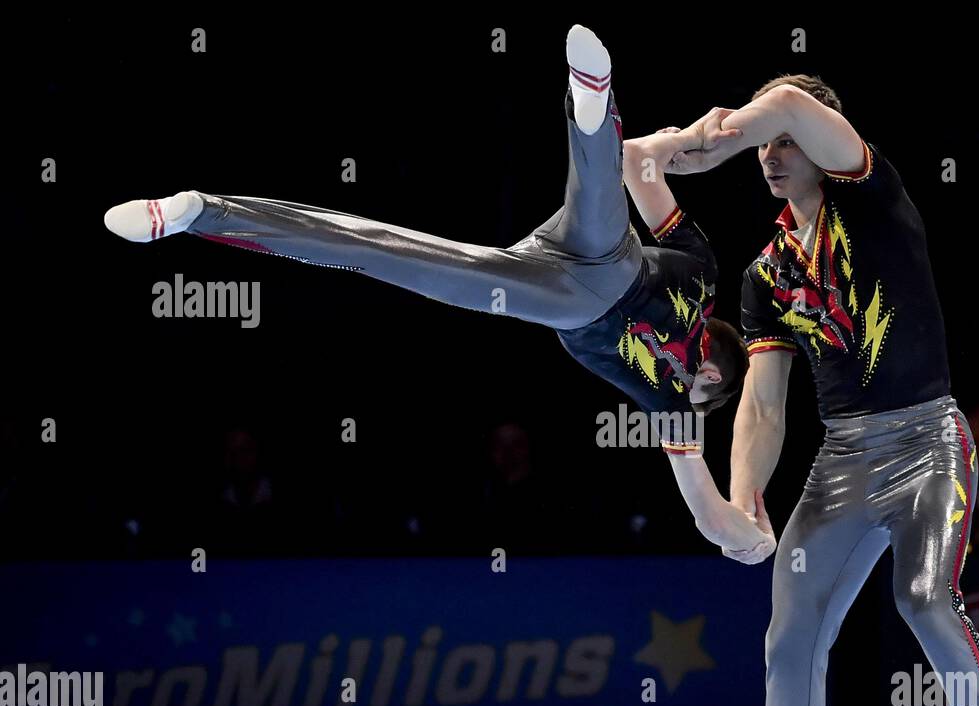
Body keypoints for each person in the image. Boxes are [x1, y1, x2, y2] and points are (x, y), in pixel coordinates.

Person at [102, 25, 773, 562]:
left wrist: (688, 138)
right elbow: (707, 518)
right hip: (580, 293)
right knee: (388, 257)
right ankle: (203, 212)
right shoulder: (674, 394)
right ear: (709, 371)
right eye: (710, 398)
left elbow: (638, 165)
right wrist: (752, 538)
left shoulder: (703, 265)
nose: (701, 409)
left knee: (576, 196)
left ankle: (591, 105)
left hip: (559, 261)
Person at [665, 75, 979, 706]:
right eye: (763, 144)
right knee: (790, 634)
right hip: (841, 464)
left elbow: (796, 106)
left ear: (825, 136)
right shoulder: (766, 273)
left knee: (925, 596)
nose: (770, 152)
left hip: (929, 442)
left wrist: (704, 139)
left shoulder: (870, 195)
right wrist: (743, 501)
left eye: (784, 138)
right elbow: (763, 405)